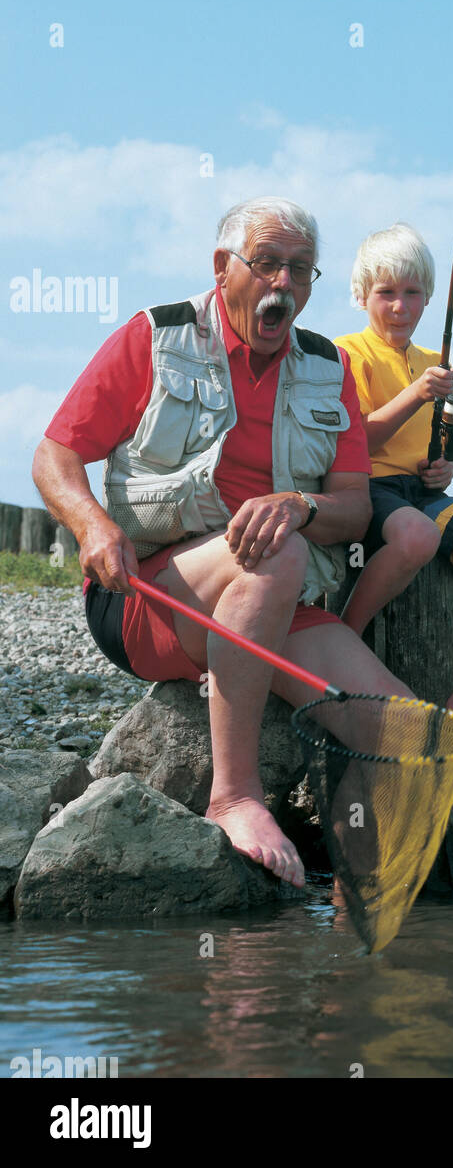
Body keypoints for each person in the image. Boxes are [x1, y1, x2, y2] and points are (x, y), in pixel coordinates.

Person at [32, 197, 418, 889]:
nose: (282, 285)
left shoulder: (331, 370)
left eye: (299, 271)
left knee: (400, 737)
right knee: (279, 553)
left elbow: (355, 511)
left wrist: (300, 504)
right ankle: (235, 796)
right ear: (222, 268)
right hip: (147, 601)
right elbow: (55, 455)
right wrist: (93, 526)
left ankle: (352, 897)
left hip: (276, 603)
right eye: (266, 264)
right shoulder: (155, 337)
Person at [335, 223, 453, 764]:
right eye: (386, 293)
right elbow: (358, 439)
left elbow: (449, 438)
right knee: (415, 537)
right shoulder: (345, 355)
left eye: (412, 293)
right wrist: (417, 393)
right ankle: (346, 635)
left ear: (429, 297)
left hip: (419, 490)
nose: (399, 306)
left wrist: (446, 469)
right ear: (362, 295)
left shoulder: (431, 364)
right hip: (366, 486)